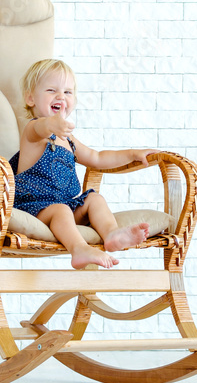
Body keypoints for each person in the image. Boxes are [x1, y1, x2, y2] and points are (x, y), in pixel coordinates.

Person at [11, 58, 158, 268]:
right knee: (60, 210)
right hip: (34, 208)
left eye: (68, 92)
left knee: (94, 199)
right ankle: (79, 249)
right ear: (31, 98)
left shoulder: (69, 140)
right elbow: (41, 128)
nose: (61, 96)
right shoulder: (33, 132)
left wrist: (133, 153)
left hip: (64, 208)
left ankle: (112, 235)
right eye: (52, 90)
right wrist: (52, 123)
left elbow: (97, 158)